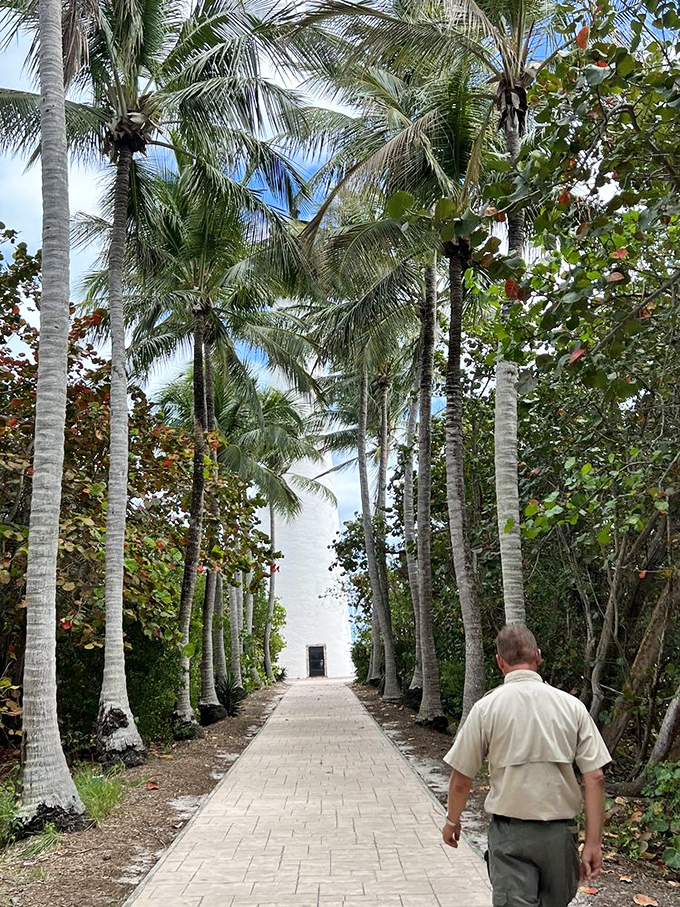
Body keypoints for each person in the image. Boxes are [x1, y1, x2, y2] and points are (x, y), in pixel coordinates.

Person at [442, 625, 611, 907]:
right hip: (559, 838)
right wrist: (593, 843)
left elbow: (461, 779)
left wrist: (452, 821)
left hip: (511, 837)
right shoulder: (571, 706)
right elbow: (595, 777)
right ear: (539, 656)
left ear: (500, 662)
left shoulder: (486, 708)